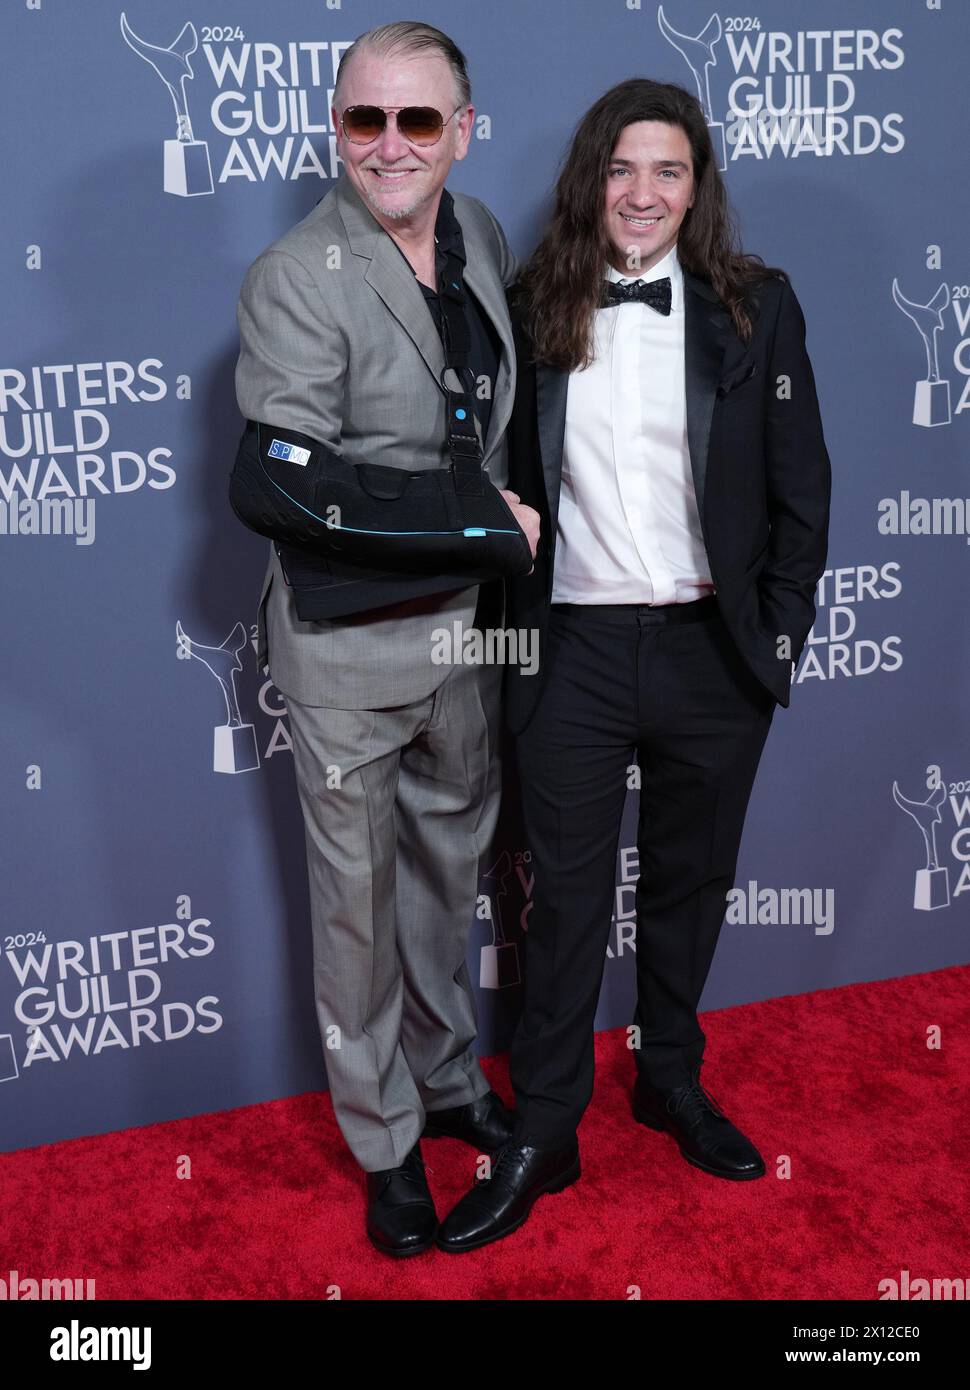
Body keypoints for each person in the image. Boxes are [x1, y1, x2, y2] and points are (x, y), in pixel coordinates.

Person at [437, 78, 831, 1253]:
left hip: (714, 649)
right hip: (572, 652)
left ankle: (669, 1078)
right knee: (560, 904)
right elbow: (491, 505)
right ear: (587, 181)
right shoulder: (525, 308)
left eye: (667, 170)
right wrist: (511, 665)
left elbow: (802, 492)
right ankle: (545, 1128)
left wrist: (777, 635)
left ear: (697, 184)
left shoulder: (758, 307)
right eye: (620, 169)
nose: (642, 193)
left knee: (688, 884)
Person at [233, 20, 540, 1258]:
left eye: (419, 120)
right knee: (356, 914)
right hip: (348, 652)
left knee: (442, 884)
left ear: (463, 131)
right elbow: (287, 484)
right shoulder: (297, 274)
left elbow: (489, 423)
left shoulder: (480, 239)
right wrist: (484, 525)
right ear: (335, 127)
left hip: (465, 646)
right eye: (367, 119)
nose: (391, 145)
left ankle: (449, 1072)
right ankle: (383, 1138)